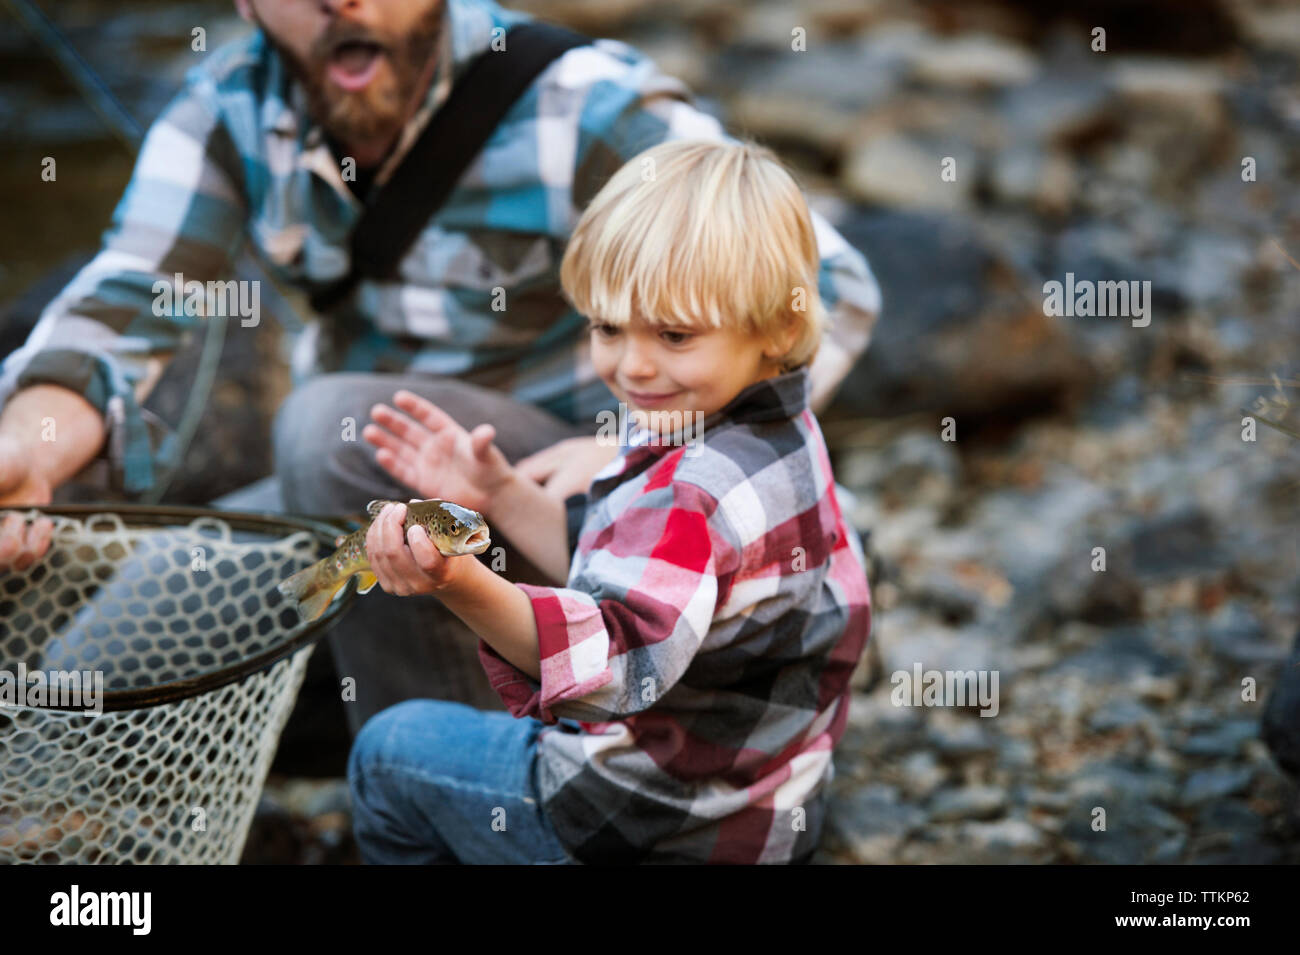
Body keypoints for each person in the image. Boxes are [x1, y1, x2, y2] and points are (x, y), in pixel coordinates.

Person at [0, 0, 880, 738]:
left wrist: (631, 444)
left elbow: (833, 287)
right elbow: (130, 294)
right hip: (369, 498)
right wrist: (30, 447)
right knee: (94, 673)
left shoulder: (579, 105)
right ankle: (422, 733)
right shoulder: (227, 109)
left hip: (569, 504)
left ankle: (465, 789)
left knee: (323, 424)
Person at [347, 140, 871, 864]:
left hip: (646, 820)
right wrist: (500, 494)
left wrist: (459, 582)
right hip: (769, 806)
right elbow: (647, 574)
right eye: (608, 327)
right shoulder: (775, 430)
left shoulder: (694, 488)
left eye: (674, 334)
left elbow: (611, 661)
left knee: (388, 754)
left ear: (778, 326)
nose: (633, 365)